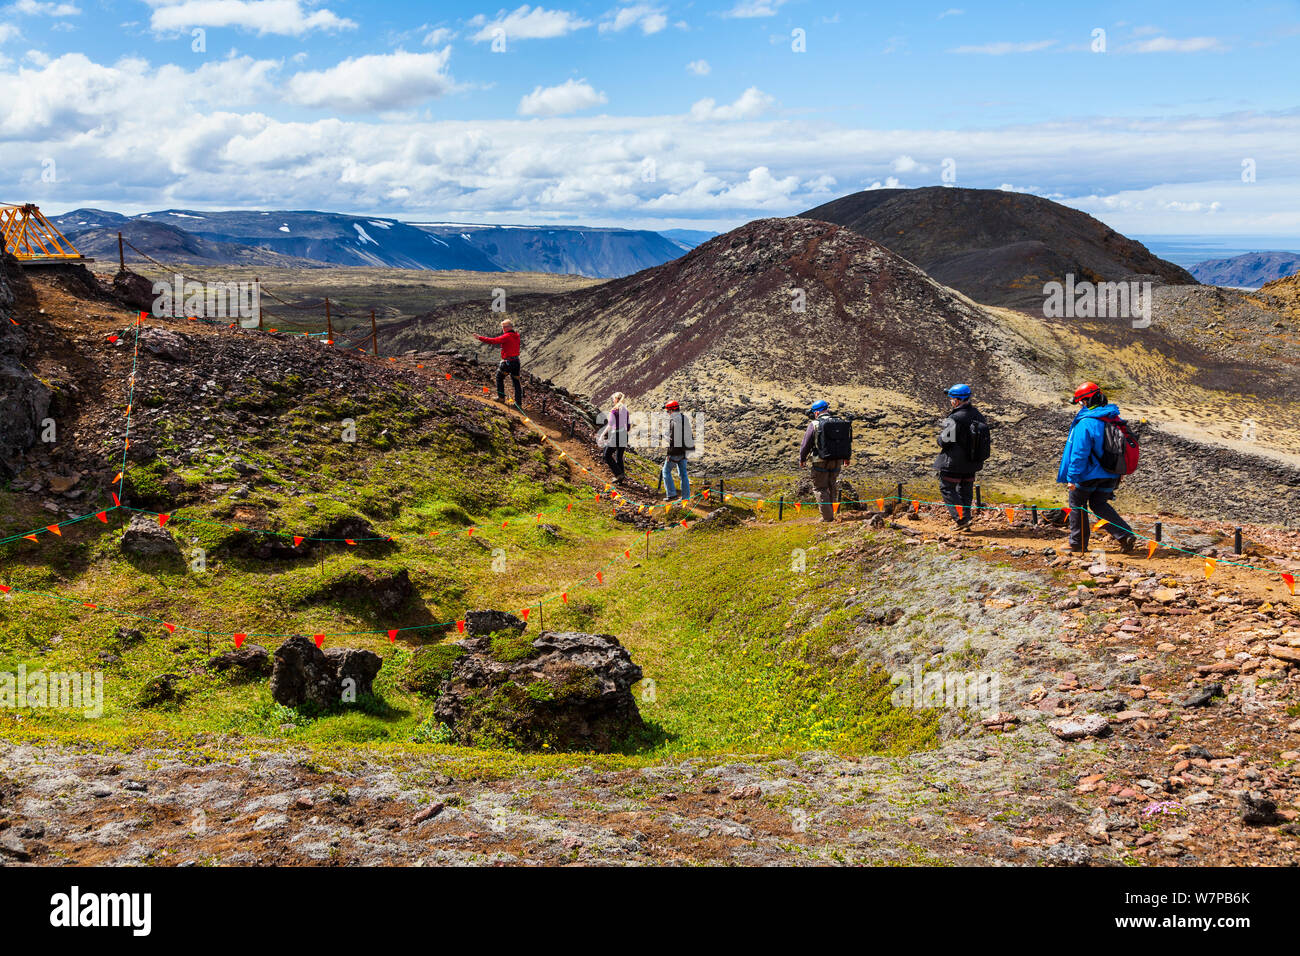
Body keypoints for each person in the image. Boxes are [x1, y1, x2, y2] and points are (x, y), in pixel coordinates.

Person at [1057, 381, 1137, 554]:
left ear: (1086, 401)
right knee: (1099, 503)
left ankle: (1077, 543)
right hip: (1111, 473)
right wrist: (1120, 472)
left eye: (1080, 402)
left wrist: (1072, 477)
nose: (1080, 406)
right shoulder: (1115, 419)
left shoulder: (1085, 423)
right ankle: (1124, 535)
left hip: (1087, 475)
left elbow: (1079, 453)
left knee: (1077, 504)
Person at [934, 384, 989, 532]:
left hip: (953, 463)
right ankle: (966, 519)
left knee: (947, 488)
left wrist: (939, 439)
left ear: (957, 401)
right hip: (972, 463)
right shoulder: (978, 415)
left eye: (952, 398)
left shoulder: (955, 417)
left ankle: (962, 519)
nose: (950, 401)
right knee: (965, 491)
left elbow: (945, 441)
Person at [799, 399, 852, 522]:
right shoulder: (839, 422)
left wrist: (802, 459)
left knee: (820, 488)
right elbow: (846, 441)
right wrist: (847, 457)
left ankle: (827, 518)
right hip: (837, 460)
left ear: (817, 412)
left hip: (820, 461)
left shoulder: (814, 424)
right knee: (832, 486)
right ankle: (833, 513)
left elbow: (806, 444)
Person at [474, 319, 522, 410]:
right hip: (516, 362)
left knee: (499, 377)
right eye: (503, 327)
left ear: (509, 327)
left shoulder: (506, 336)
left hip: (508, 362)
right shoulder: (517, 335)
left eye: (504, 327)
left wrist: (479, 337)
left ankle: (501, 398)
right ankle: (518, 403)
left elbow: (493, 341)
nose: (503, 329)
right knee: (516, 382)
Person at [662, 399, 692, 502]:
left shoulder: (674, 421)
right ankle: (686, 497)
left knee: (666, 471)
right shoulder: (684, 418)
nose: (667, 413)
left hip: (675, 452)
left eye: (668, 411)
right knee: (683, 474)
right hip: (685, 451)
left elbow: (673, 440)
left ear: (671, 410)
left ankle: (671, 494)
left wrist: (669, 453)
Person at [602, 392, 629, 484]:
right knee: (619, 456)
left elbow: (610, 425)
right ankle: (620, 478)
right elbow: (628, 426)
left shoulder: (614, 411)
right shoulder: (625, 410)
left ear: (617, 399)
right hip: (624, 435)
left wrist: (602, 435)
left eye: (613, 399)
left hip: (616, 435)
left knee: (607, 455)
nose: (613, 400)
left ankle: (618, 474)